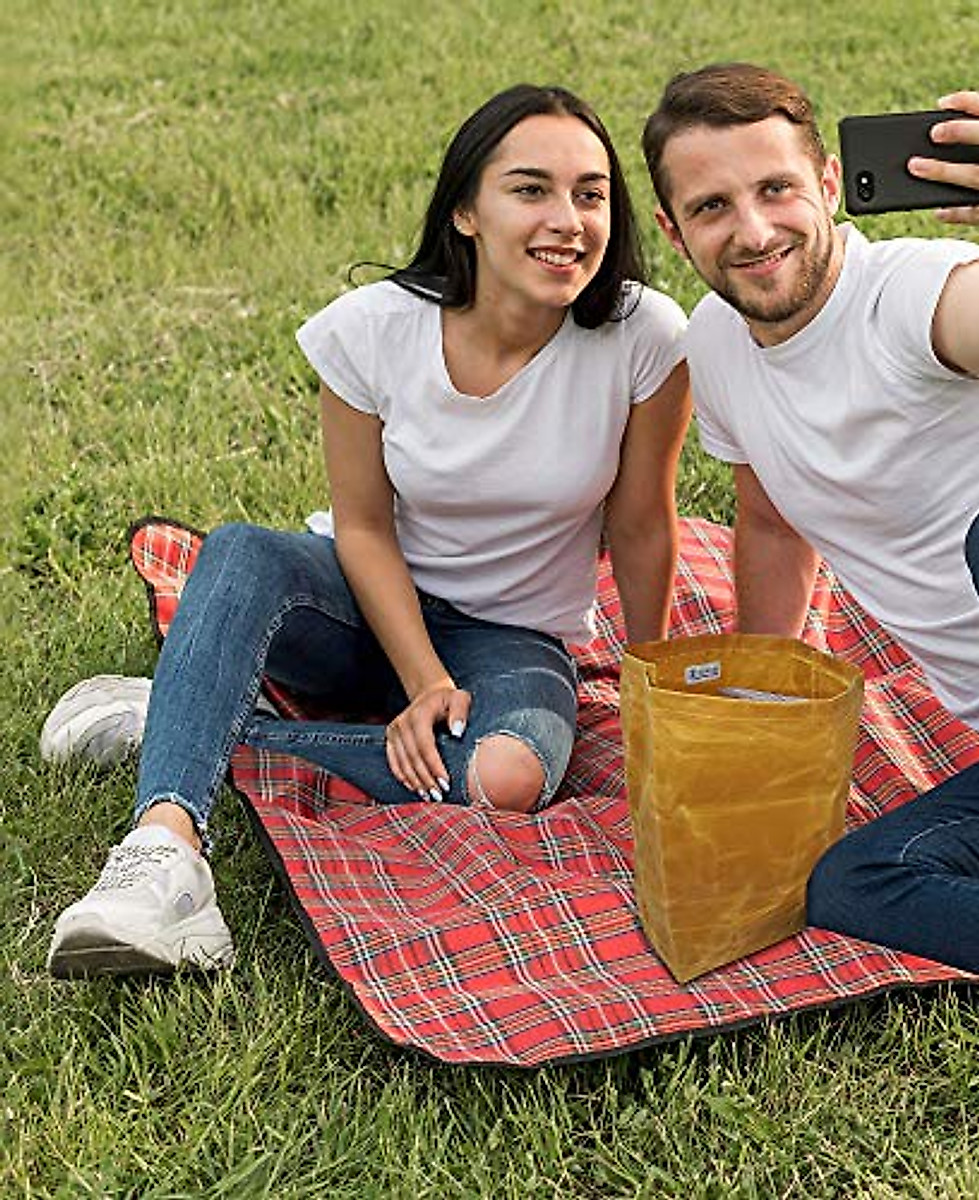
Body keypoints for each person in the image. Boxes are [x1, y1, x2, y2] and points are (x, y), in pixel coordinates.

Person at [642, 62, 979, 1199]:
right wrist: (755, 700)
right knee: (855, 881)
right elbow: (768, 515)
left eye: (775, 189)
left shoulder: (918, 292)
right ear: (672, 229)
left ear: (828, 183)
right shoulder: (718, 349)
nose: (753, 230)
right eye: (712, 206)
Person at [48, 84, 691, 982]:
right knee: (240, 553)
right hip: (354, 609)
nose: (568, 221)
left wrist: (653, 684)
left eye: (591, 194)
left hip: (512, 636)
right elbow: (361, 526)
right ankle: (165, 853)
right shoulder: (372, 329)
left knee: (507, 777)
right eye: (530, 190)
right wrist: (424, 681)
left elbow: (643, 521)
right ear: (466, 211)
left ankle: (181, 715)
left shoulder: (644, 336)